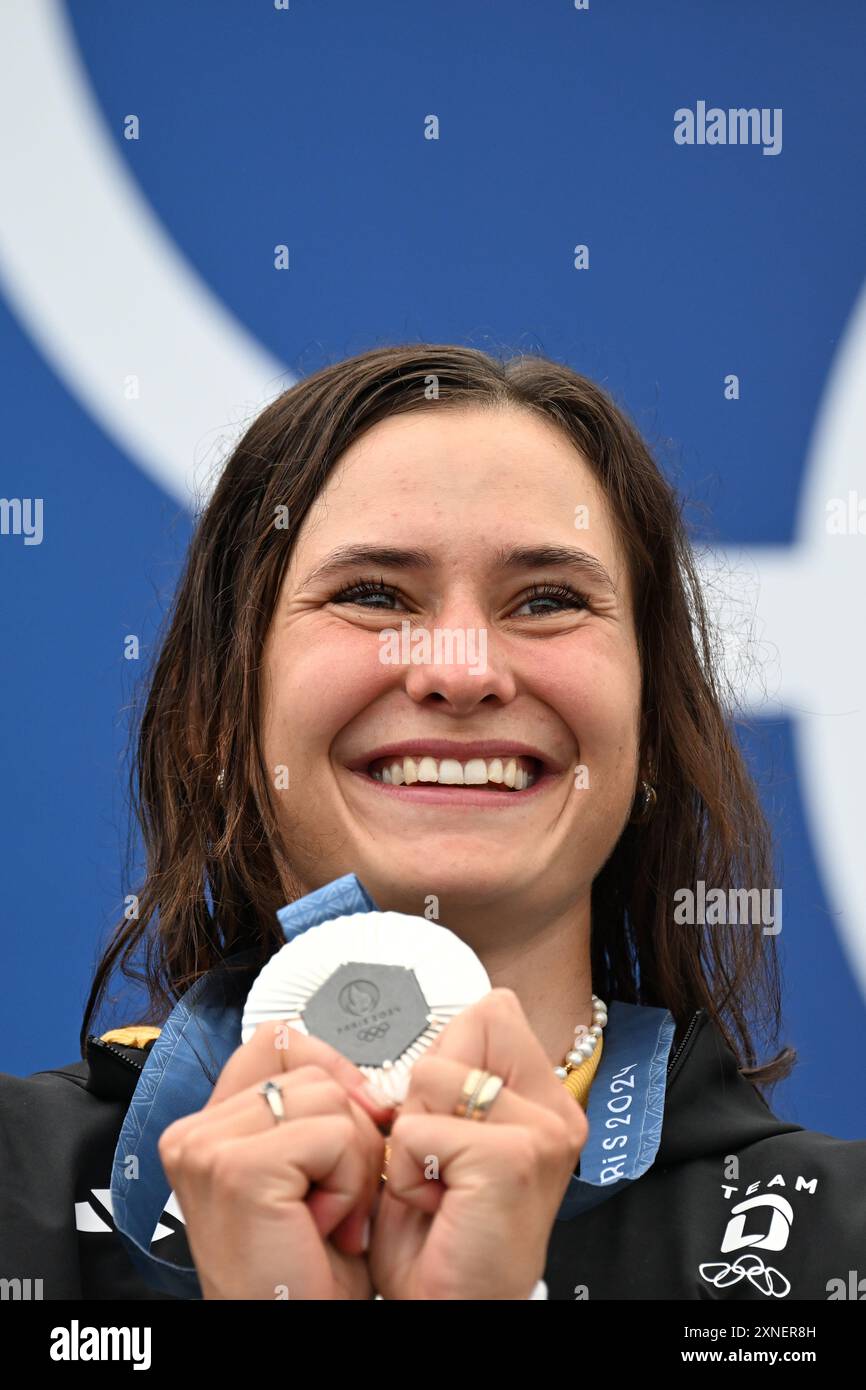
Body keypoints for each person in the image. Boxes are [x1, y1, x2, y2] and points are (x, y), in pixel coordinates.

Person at [2, 344, 864, 1301]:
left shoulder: (838, 1250)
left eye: (547, 601)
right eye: (373, 595)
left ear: (653, 727)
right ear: (220, 713)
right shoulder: (16, 1191)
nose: (460, 669)